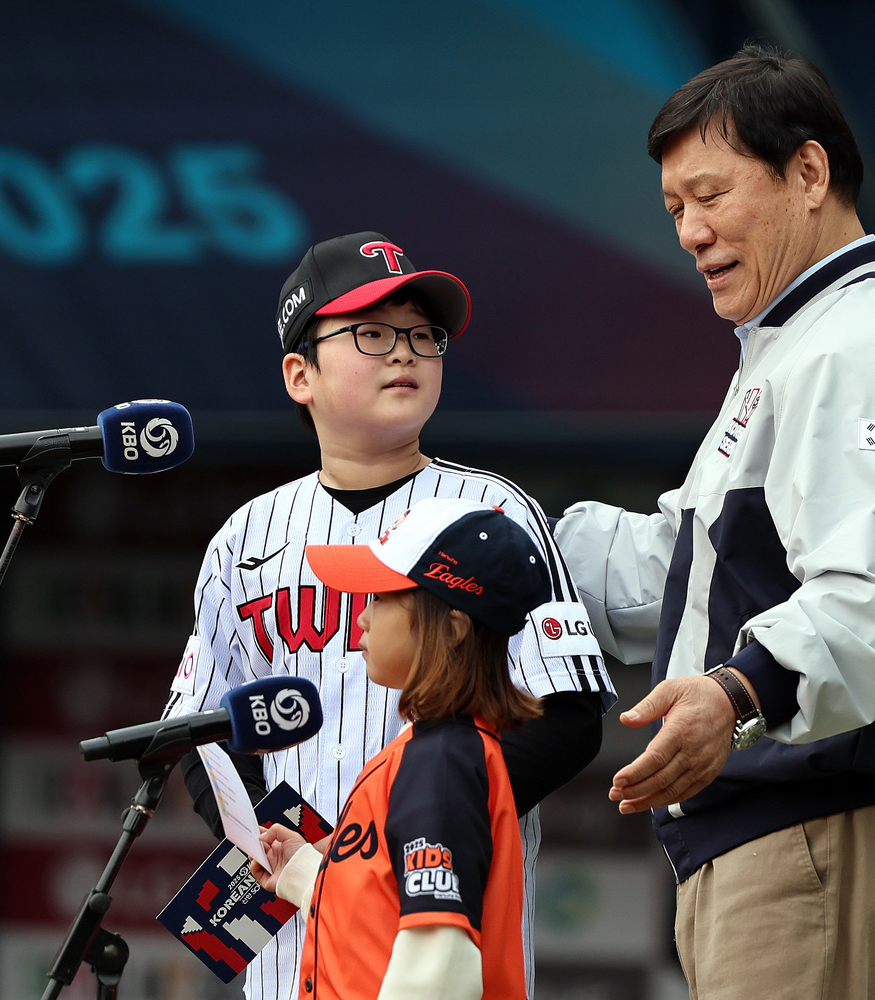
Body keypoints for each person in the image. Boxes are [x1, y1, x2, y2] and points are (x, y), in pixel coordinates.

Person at [551, 44, 875, 999]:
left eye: (710, 195)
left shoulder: (859, 342)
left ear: (809, 173)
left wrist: (734, 694)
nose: (689, 231)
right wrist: (511, 532)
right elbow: (681, 575)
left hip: (829, 834)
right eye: (675, 209)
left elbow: (869, 602)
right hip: (789, 837)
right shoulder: (796, 342)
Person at [163, 232, 615, 1000]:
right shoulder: (243, 540)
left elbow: (566, 715)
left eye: (422, 334)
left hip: (444, 919)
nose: (404, 352)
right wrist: (287, 852)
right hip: (293, 938)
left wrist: (408, 836)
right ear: (299, 374)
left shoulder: (491, 512)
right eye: (372, 333)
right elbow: (200, 736)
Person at [249, 498, 550, 1000]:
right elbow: (383, 916)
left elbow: (440, 965)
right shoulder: (436, 749)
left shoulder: (443, 759)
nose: (361, 619)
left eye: (381, 598)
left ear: (453, 626)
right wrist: (302, 873)